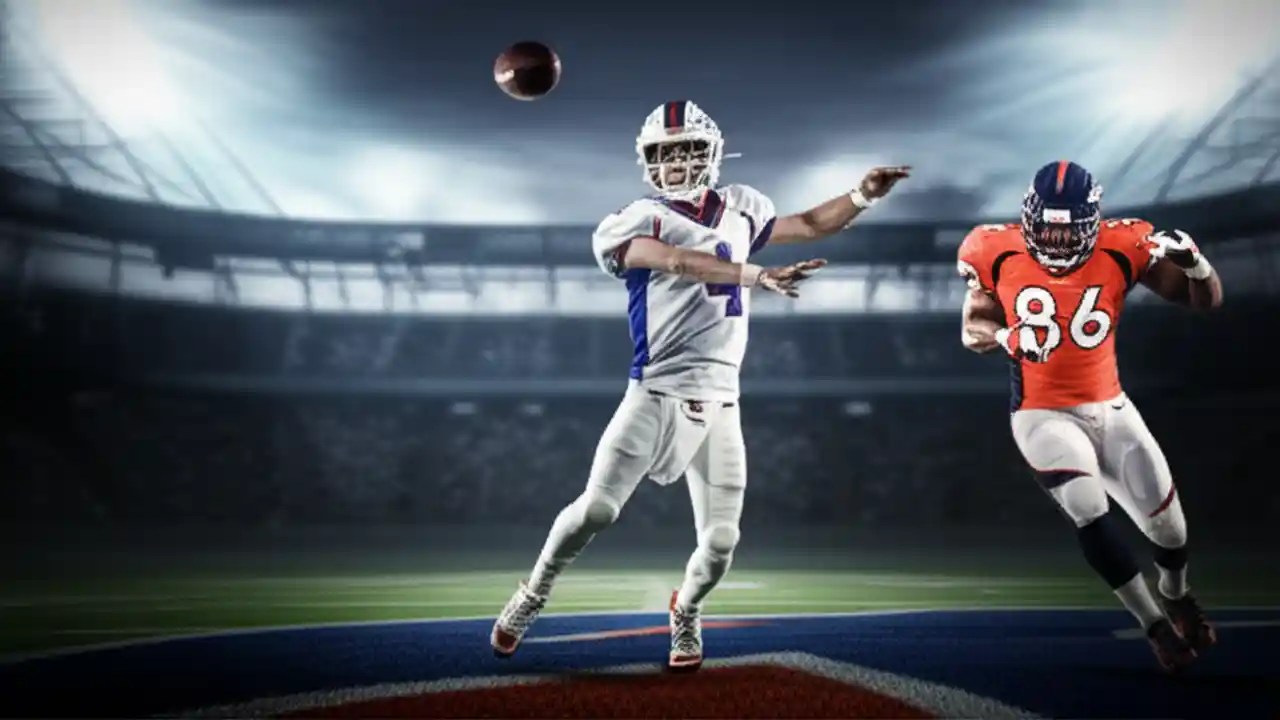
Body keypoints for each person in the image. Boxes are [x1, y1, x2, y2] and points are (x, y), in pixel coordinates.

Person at [491, 99, 910, 671]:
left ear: (711, 154)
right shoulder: (635, 218)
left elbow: (811, 225)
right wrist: (757, 274)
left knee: (720, 543)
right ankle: (532, 593)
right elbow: (679, 262)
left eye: (688, 150)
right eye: (666, 154)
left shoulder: (742, 207)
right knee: (598, 510)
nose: (678, 164)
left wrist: (863, 195)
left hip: (721, 398)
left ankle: (685, 609)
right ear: (648, 162)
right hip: (656, 389)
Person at [957, 160, 1223, 672]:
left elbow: (1203, 301)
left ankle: (1176, 594)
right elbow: (973, 329)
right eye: (1048, 228)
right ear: (1030, 215)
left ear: (1092, 219)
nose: (1056, 242)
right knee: (1086, 505)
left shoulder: (1126, 245)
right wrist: (1008, 336)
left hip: (1112, 406)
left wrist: (1197, 266)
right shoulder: (992, 248)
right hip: (1041, 412)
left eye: (1068, 229)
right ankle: (1155, 627)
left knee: (1170, 531)